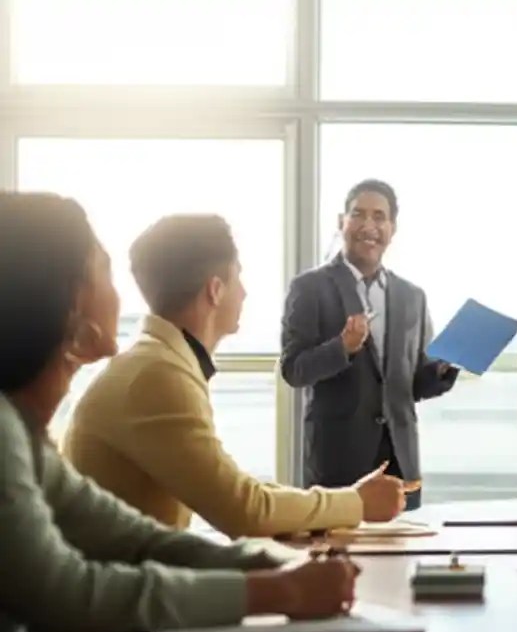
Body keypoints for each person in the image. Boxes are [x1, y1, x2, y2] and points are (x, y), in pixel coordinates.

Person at [0, 192, 358, 632]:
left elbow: (138, 539)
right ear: (70, 301)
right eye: (105, 271)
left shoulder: (22, 432)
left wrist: (273, 566)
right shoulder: (14, 427)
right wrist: (278, 590)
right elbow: (66, 595)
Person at [61, 214, 411, 538]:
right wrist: (357, 503)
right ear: (215, 290)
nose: (244, 292)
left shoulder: (157, 361)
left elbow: (236, 490)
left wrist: (348, 499)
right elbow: (245, 510)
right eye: (238, 276)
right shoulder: (156, 376)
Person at [281, 179, 458, 511]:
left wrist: (444, 369)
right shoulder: (310, 288)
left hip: (400, 463)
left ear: (393, 228)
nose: (369, 226)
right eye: (358, 214)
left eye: (379, 217)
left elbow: (413, 385)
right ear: (342, 222)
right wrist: (343, 347)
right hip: (337, 464)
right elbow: (294, 370)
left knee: (406, 543)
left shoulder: (412, 296)